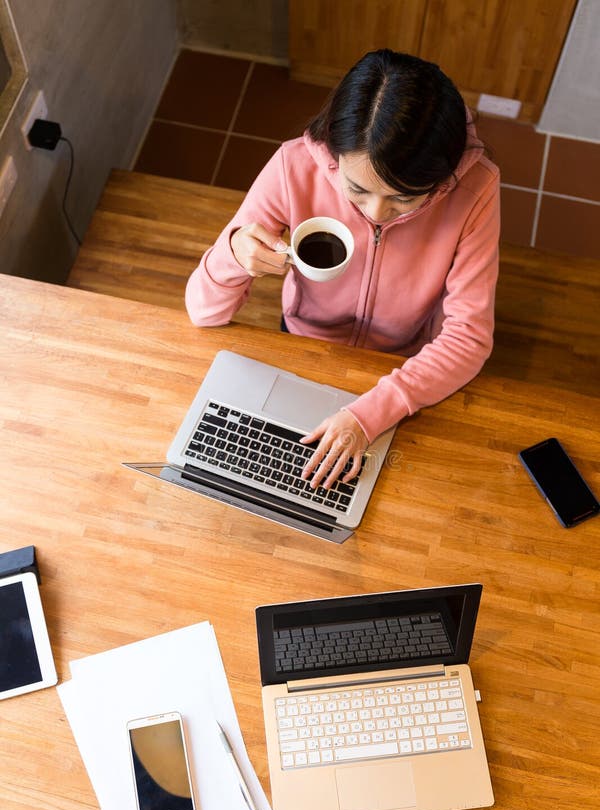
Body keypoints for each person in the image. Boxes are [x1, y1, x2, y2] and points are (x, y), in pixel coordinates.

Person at [185, 49, 500, 491]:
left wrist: (367, 416)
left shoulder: (476, 188)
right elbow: (201, 313)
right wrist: (233, 255)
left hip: (406, 360)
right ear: (332, 153)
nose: (377, 212)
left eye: (405, 199)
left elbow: (468, 338)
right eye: (357, 190)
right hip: (304, 343)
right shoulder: (293, 165)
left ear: (445, 177)